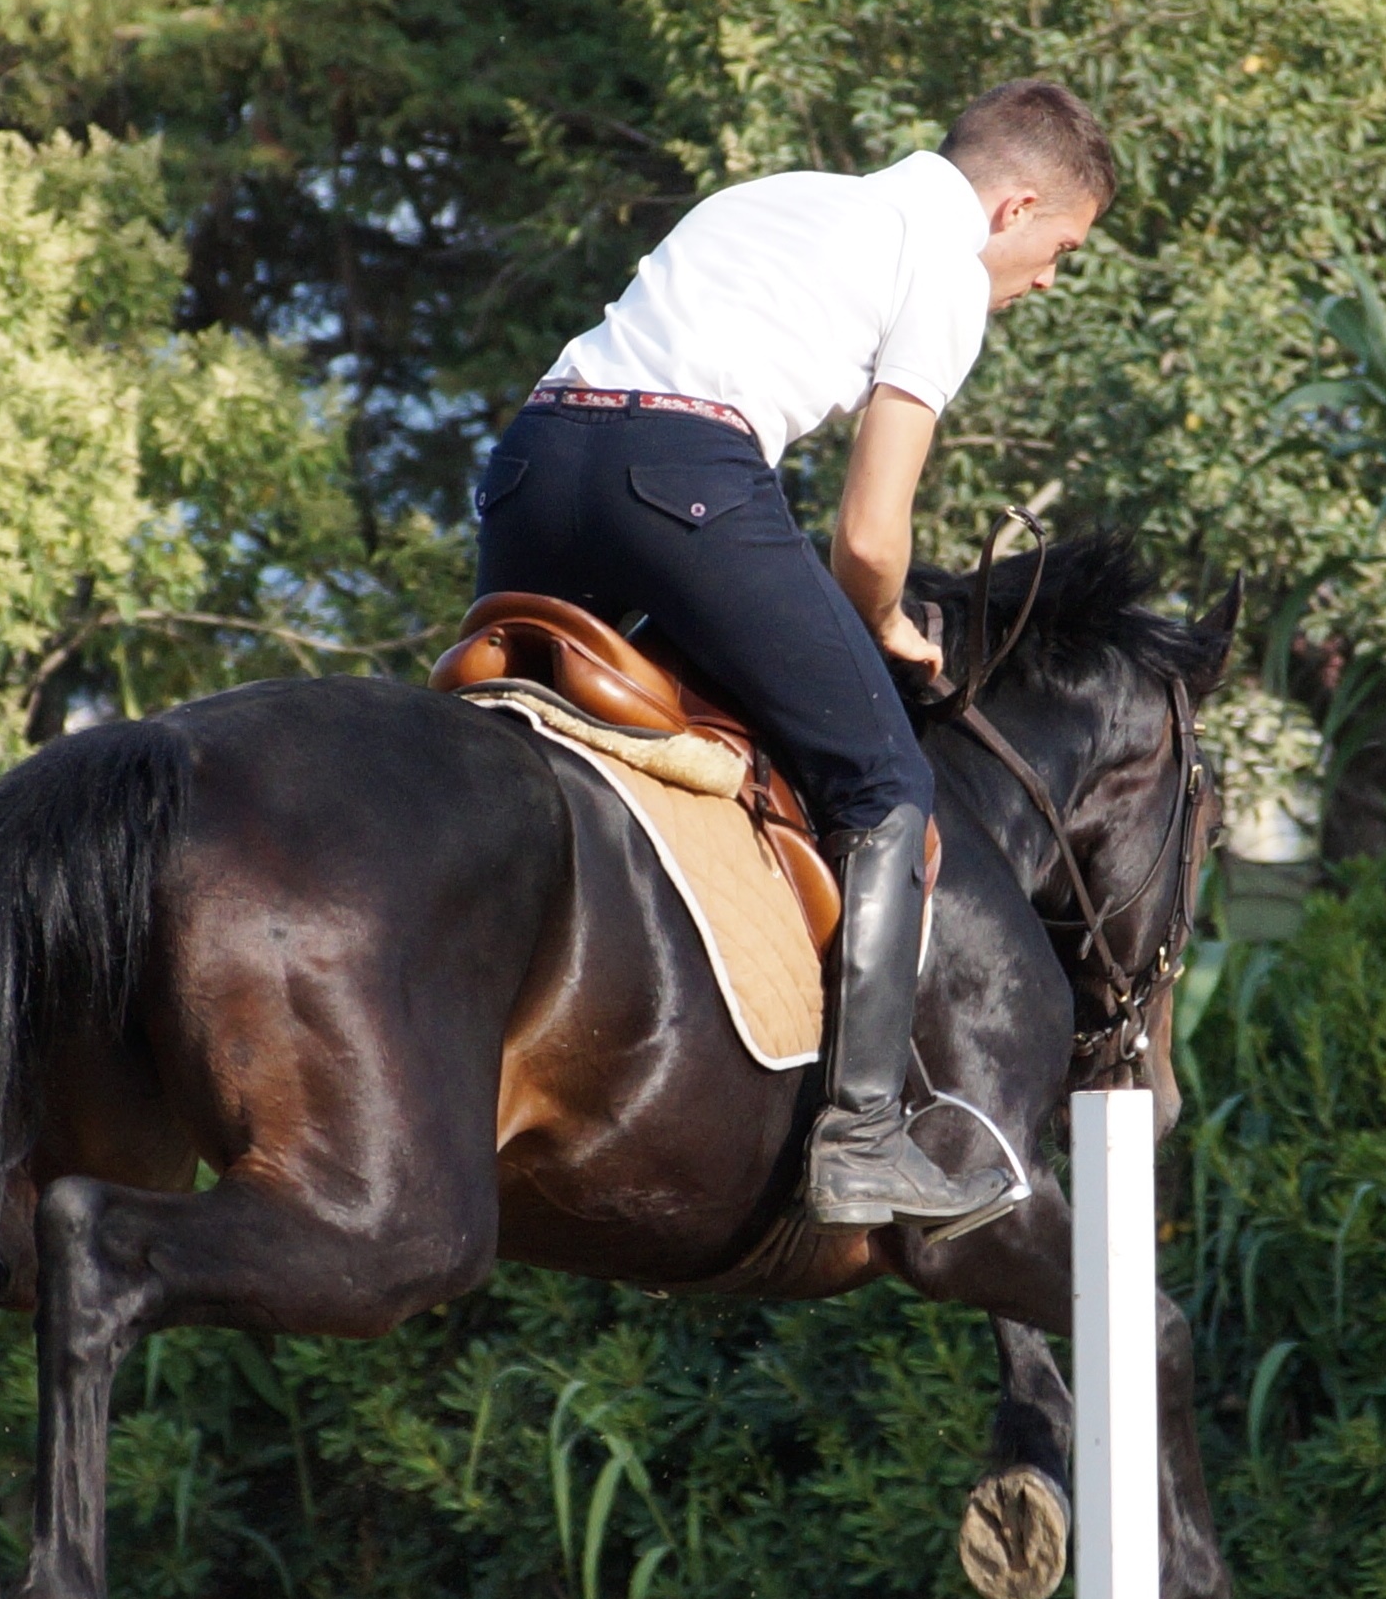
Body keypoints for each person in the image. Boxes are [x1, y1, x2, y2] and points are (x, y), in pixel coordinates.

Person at [470, 79, 1113, 1234]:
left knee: (521, 748)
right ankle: (862, 1139)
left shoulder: (773, 196)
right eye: (1061, 246)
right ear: (1013, 208)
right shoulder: (944, 268)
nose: (1049, 277)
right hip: (674, 478)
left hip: (528, 466)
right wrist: (881, 626)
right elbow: (867, 538)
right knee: (882, 783)